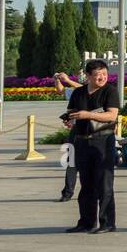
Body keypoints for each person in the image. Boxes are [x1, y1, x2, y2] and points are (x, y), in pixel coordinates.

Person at [65, 59, 120, 234]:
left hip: (103, 141)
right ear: (88, 76)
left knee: (104, 183)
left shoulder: (110, 91)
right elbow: (72, 113)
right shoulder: (78, 93)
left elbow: (112, 116)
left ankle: (107, 222)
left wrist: (88, 115)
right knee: (86, 183)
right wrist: (70, 120)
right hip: (82, 140)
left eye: (104, 74)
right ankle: (86, 221)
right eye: (97, 75)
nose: (102, 77)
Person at [53, 71, 81, 201]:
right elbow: (61, 91)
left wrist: (68, 80)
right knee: (72, 163)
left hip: (95, 133)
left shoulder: (100, 92)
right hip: (77, 132)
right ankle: (67, 193)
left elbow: (84, 89)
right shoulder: (76, 92)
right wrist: (58, 80)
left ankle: (95, 192)